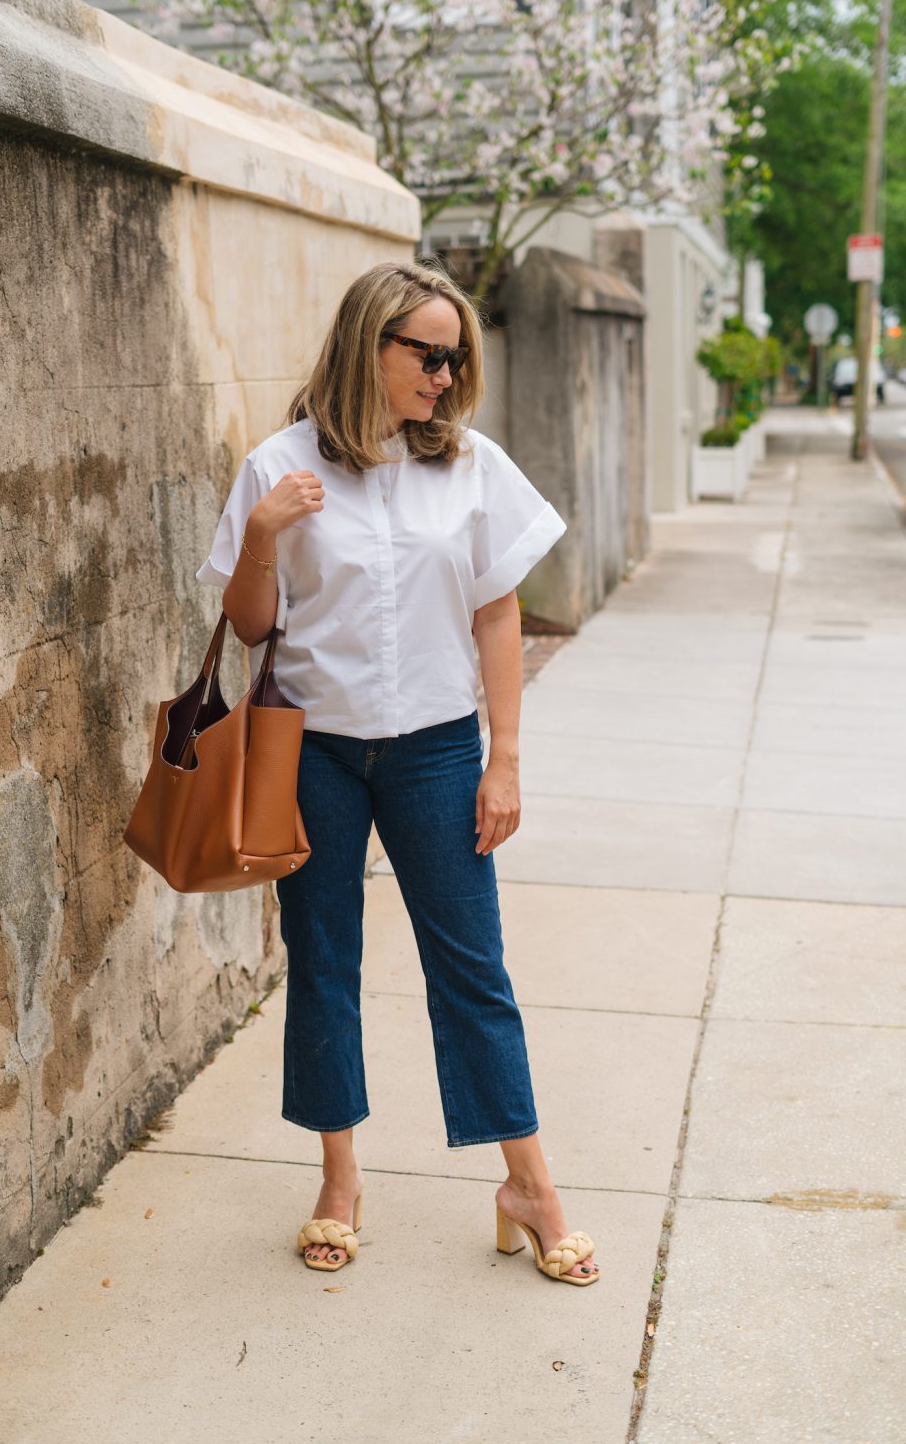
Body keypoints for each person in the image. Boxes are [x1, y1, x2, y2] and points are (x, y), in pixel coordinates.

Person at [195, 261, 599, 1287]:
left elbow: (497, 611)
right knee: (323, 962)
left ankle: (529, 1185)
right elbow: (251, 627)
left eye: (454, 357)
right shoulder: (278, 465)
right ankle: (340, 1180)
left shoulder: (469, 465)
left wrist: (505, 760)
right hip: (311, 752)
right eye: (427, 354)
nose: (444, 375)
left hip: (436, 749)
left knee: (472, 969)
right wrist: (260, 534)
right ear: (367, 345)